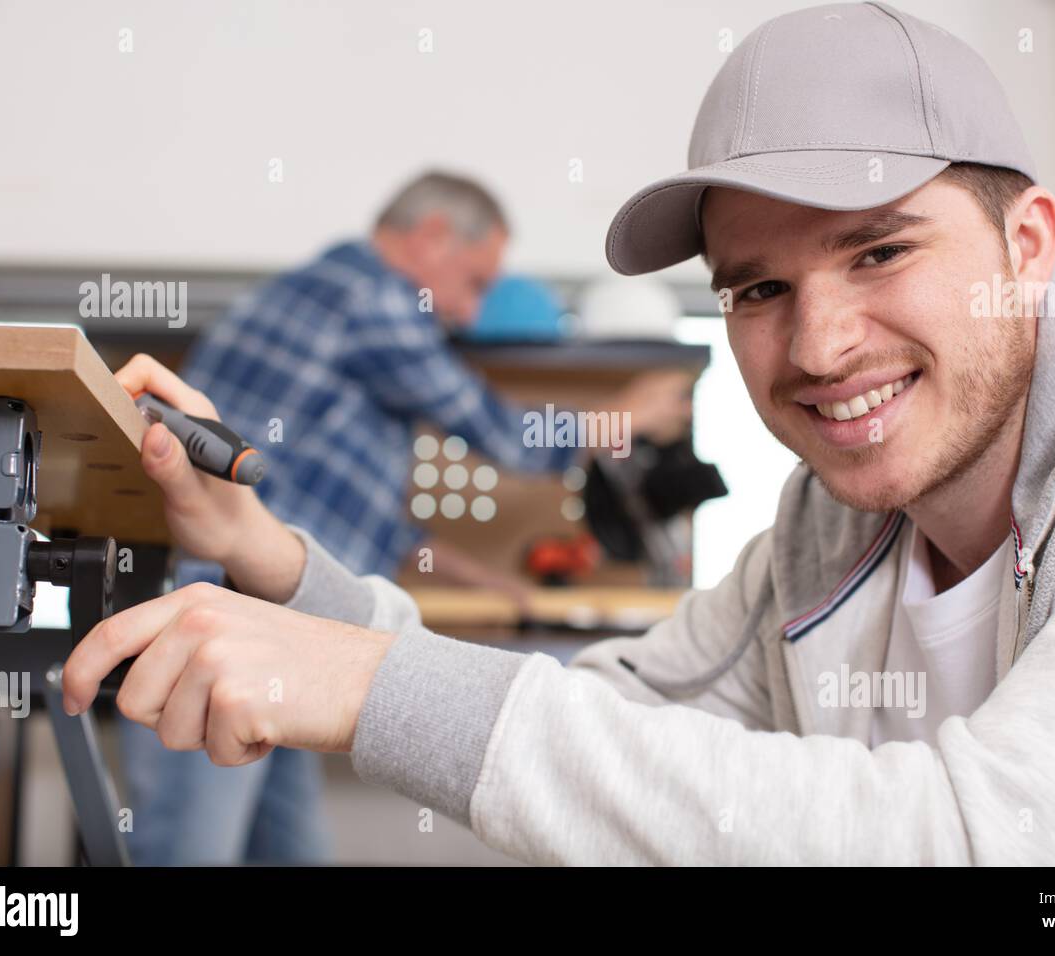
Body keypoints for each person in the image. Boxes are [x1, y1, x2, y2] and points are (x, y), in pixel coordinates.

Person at [68, 2, 1055, 865]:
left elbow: (988, 842)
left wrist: (374, 682)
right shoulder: (835, 522)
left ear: (1027, 245)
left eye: (880, 250)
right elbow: (609, 716)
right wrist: (283, 564)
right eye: (758, 289)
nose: (818, 348)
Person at [115, 170, 693, 864]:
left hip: (272, 623)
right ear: (432, 237)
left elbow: (354, 517)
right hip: (216, 618)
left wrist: (486, 580)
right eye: (476, 283)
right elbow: (497, 430)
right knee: (187, 854)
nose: (472, 314)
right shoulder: (366, 295)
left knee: (289, 852)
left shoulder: (323, 305)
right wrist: (620, 419)